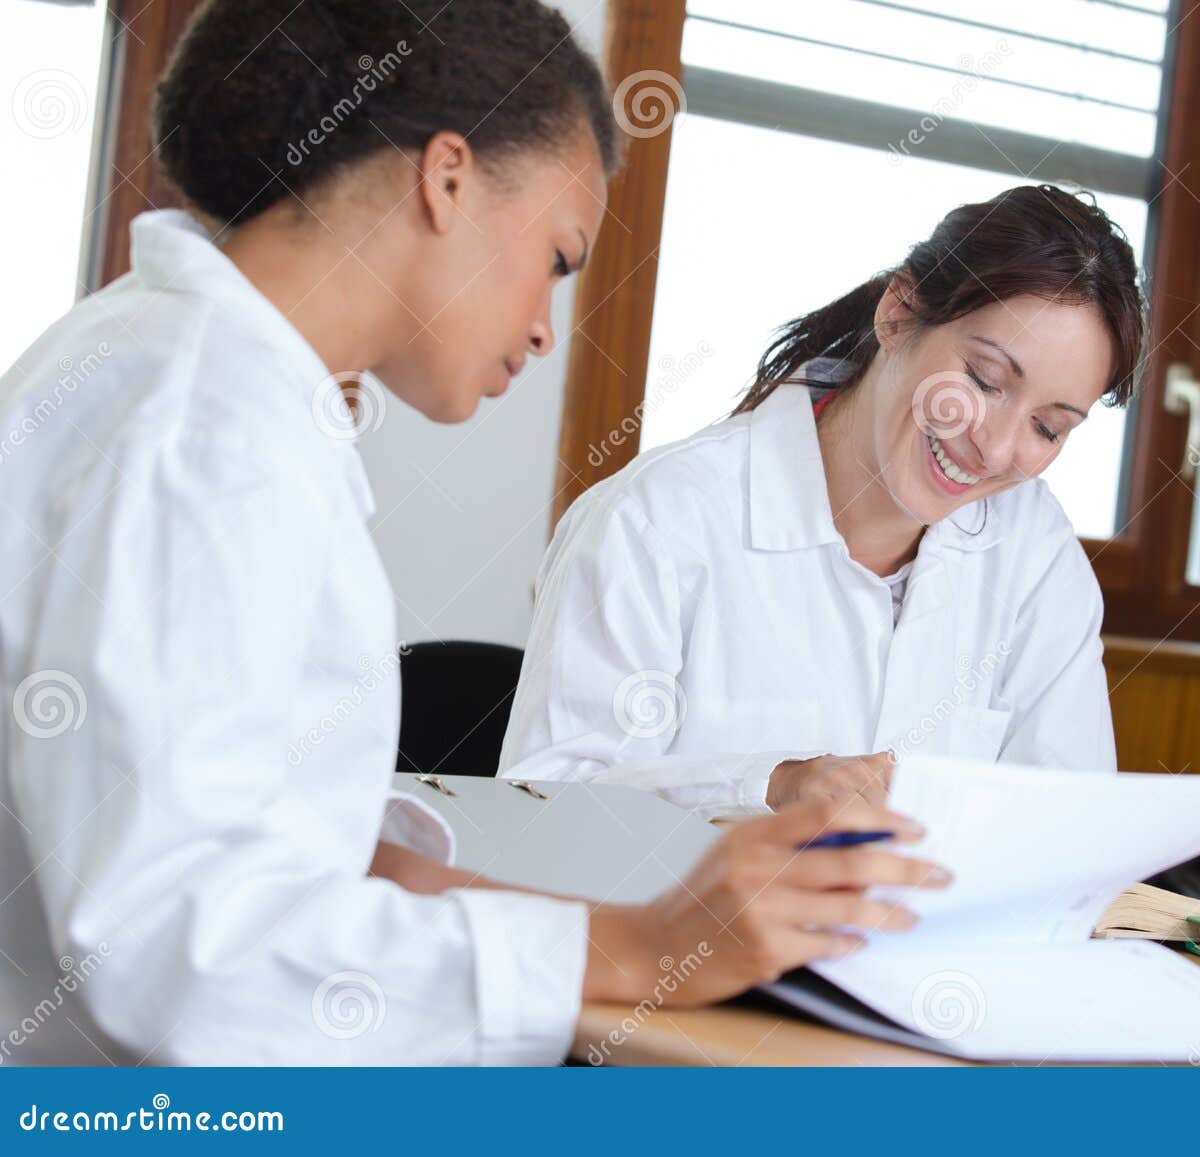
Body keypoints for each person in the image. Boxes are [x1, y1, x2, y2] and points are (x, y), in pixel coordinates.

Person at [0, 0, 945, 1066]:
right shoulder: (203, 429)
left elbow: (278, 834)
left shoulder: (196, 378)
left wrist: (647, 928)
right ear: (446, 178)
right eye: (555, 255)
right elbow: (179, 946)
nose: (546, 323)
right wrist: (640, 945)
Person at [499, 185, 1145, 815]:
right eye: (985, 379)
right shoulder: (656, 521)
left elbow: (1069, 820)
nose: (998, 449)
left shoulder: (1035, 551)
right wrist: (767, 786)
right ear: (897, 314)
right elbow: (546, 809)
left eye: (1048, 427)